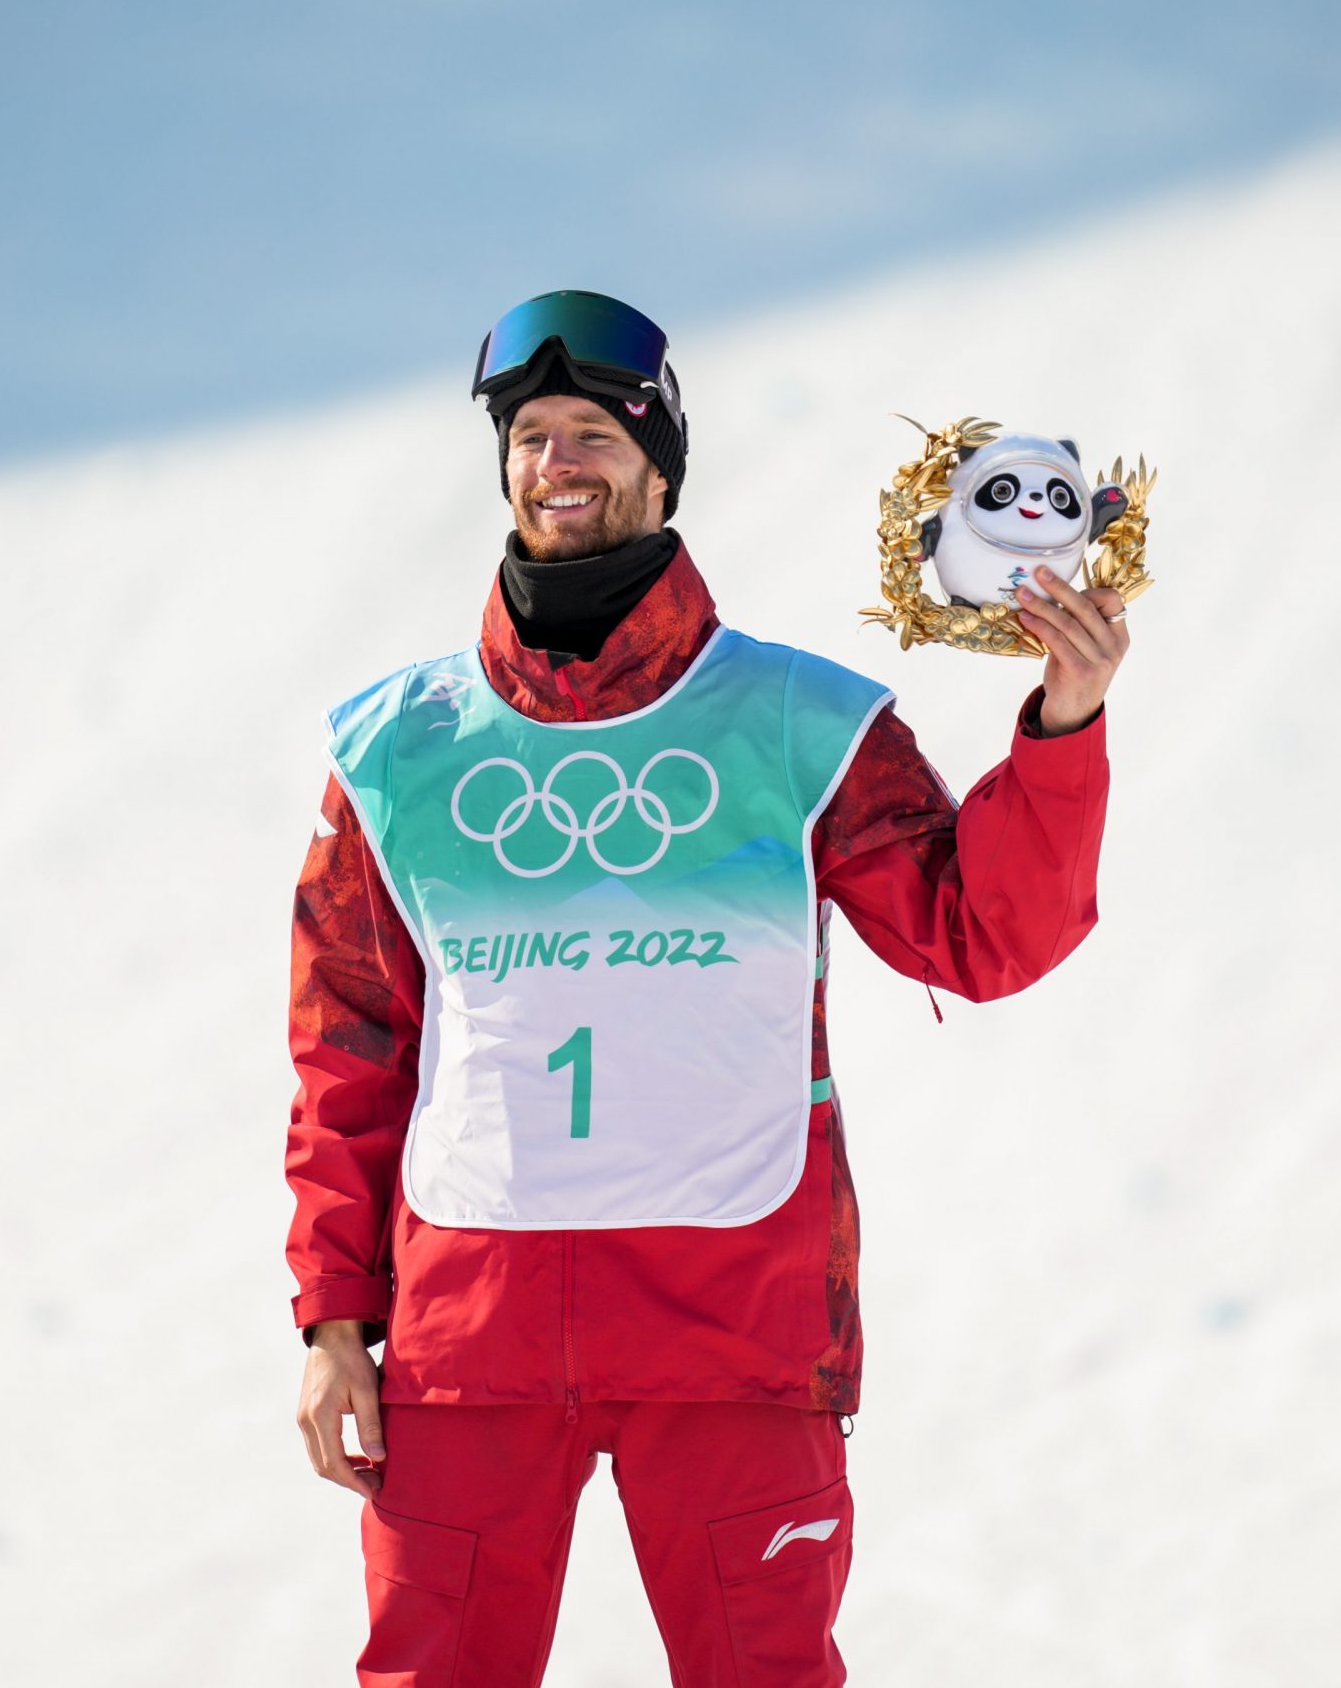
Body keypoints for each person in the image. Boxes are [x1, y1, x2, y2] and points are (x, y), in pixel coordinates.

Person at [285, 290, 1128, 1685]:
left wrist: (1064, 723)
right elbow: (350, 1048)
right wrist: (333, 1324)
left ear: (661, 464)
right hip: (469, 1339)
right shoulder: (396, 749)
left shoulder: (802, 725)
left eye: (597, 434)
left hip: (729, 1332)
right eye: (534, 435)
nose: (562, 461)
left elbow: (976, 935)